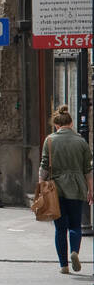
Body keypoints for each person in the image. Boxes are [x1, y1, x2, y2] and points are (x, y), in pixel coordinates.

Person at [39, 105, 93, 275]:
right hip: (77, 187)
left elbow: (43, 168)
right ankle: (75, 251)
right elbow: (88, 170)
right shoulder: (81, 142)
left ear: (56, 125)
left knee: (60, 228)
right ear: (71, 123)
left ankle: (63, 265)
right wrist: (91, 190)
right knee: (75, 225)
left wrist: (41, 188)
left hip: (57, 189)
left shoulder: (49, 140)